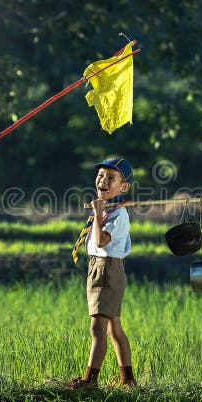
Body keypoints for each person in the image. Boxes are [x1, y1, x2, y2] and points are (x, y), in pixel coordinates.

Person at [69, 156, 136, 389]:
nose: (103, 181)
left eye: (111, 178)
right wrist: (100, 211)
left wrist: (98, 213)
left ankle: (90, 379)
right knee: (113, 328)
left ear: (123, 187)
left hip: (107, 269)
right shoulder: (109, 210)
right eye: (100, 176)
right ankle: (127, 379)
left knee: (97, 328)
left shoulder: (118, 215)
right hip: (99, 267)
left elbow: (100, 240)